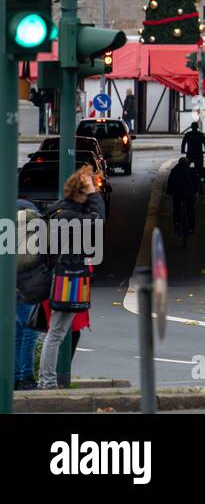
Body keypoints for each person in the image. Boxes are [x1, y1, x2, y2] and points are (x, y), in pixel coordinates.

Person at [38, 166, 103, 390]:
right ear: (80, 192)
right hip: (66, 278)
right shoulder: (68, 215)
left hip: (64, 276)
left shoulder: (61, 210)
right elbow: (98, 221)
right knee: (56, 332)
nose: (91, 197)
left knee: (58, 331)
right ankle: (47, 382)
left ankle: (46, 379)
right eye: (87, 193)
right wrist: (94, 194)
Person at [14, 197, 48, 391]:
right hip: (31, 288)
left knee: (17, 334)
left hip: (12, 288)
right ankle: (26, 376)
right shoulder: (37, 230)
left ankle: (16, 376)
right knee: (29, 334)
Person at [166, 157, 199, 245]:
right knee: (190, 209)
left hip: (177, 194)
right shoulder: (191, 171)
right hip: (188, 194)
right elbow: (196, 183)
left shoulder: (174, 170)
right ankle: (191, 227)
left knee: (176, 209)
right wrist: (196, 192)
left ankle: (177, 224)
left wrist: (169, 192)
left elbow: (170, 182)